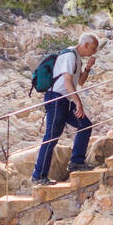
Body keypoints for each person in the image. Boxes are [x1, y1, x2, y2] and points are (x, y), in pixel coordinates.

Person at [32, 33, 99, 184]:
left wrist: (87, 68)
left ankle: (76, 162)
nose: (93, 52)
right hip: (56, 99)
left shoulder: (76, 58)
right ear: (85, 45)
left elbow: (79, 81)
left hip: (64, 100)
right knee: (51, 137)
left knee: (85, 125)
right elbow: (67, 82)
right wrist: (78, 103)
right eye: (93, 48)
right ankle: (38, 175)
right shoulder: (69, 55)